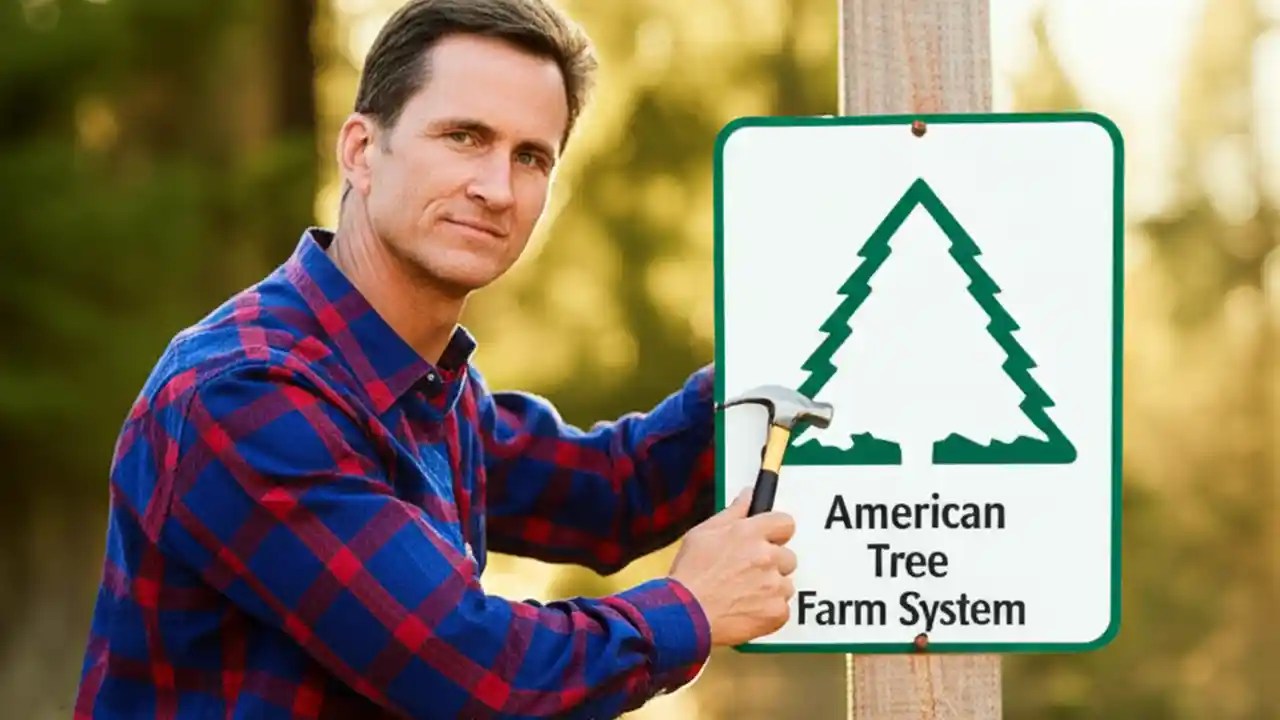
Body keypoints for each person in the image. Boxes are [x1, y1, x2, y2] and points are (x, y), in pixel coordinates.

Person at [74, 1, 798, 718]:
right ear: (360, 150)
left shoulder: (424, 388)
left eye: (530, 157)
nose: (496, 188)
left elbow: (611, 495)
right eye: (462, 137)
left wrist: (781, 361)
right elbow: (477, 677)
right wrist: (691, 608)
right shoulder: (246, 395)